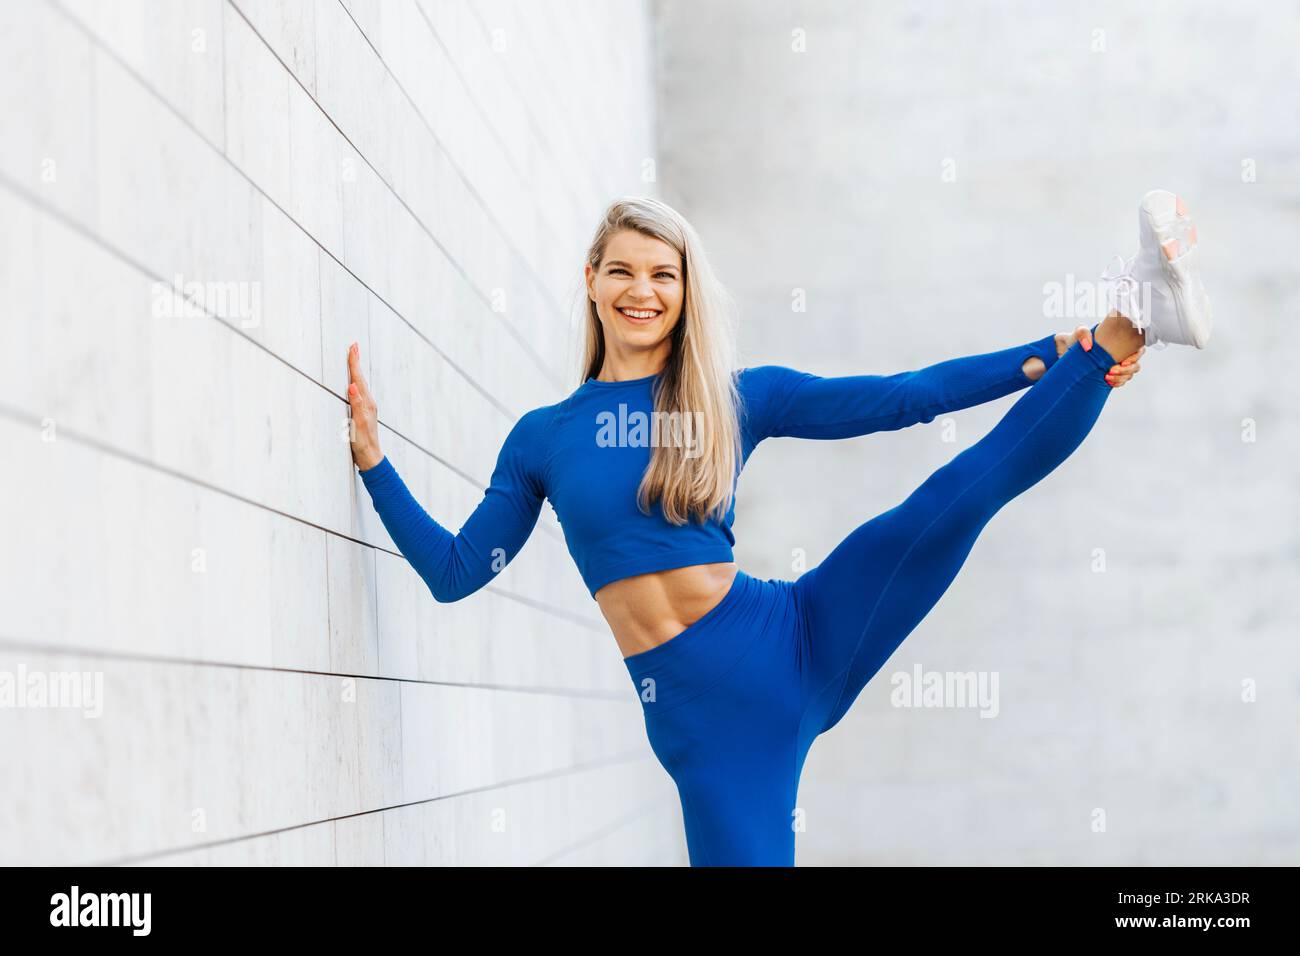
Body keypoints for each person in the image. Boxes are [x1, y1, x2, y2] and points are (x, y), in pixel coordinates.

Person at [344, 192, 1211, 866]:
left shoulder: (732, 398)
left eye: (664, 274)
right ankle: (1119, 328)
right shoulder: (545, 438)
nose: (642, 291)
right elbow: (457, 570)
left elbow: (906, 395)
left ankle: (1128, 321)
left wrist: (1053, 353)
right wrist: (376, 467)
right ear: (590, 281)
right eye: (623, 271)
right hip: (710, 729)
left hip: (795, 633)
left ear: (684, 293)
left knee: (953, 500)